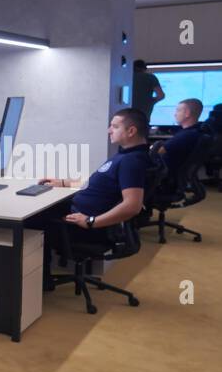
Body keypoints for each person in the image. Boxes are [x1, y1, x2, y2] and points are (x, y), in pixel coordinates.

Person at [37, 108, 149, 287]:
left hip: (87, 228)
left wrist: (91, 221)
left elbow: (132, 206)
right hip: (83, 217)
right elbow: (100, 185)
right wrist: (63, 182)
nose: (109, 130)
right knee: (42, 208)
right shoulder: (126, 154)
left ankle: (41, 283)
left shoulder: (132, 161)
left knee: (30, 223)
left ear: (131, 131)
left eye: (114, 126)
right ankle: (43, 278)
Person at [153, 98, 204, 179]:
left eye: (178, 110)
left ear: (187, 113)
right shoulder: (196, 132)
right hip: (173, 173)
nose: (175, 114)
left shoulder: (186, 135)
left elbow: (157, 152)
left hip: (163, 174)